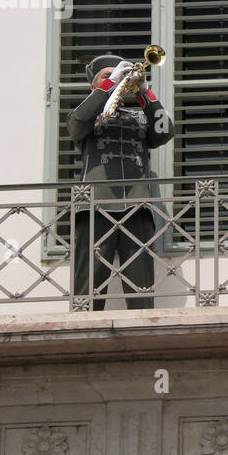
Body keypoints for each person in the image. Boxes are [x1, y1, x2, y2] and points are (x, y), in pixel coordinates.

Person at [68, 54, 175, 309]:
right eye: (107, 76)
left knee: (141, 291)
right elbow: (77, 123)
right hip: (95, 208)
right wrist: (109, 85)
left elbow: (164, 131)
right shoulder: (87, 115)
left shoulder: (138, 117)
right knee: (88, 290)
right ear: (94, 85)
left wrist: (144, 92)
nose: (116, 80)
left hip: (136, 208)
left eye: (119, 75)